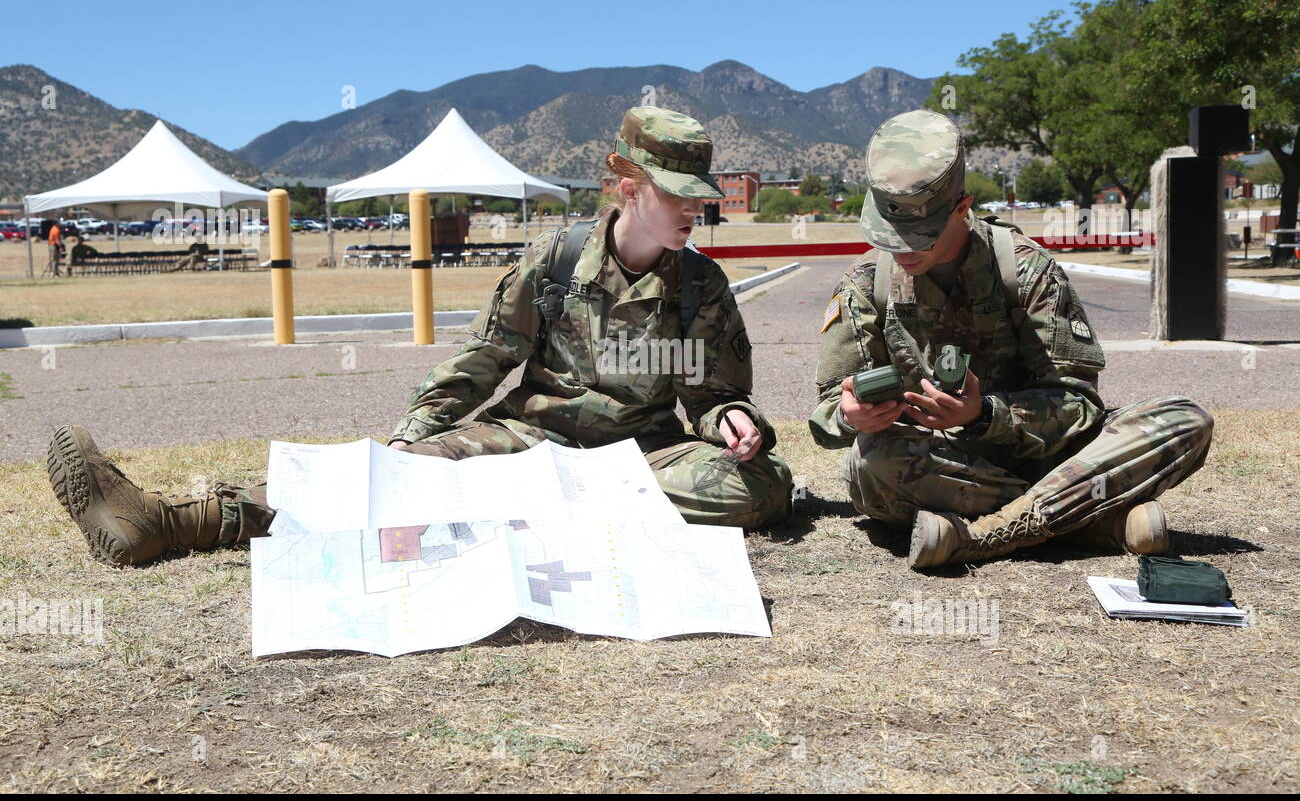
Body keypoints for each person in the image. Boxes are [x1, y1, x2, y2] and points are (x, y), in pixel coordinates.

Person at [48, 106, 794, 568]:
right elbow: (485, 360)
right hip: (536, 441)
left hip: (641, 458)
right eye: (680, 196)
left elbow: (713, 392)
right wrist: (413, 437)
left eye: (702, 196)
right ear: (631, 189)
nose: (698, 211)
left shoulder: (702, 285)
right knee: (400, 476)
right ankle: (175, 523)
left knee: (763, 486)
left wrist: (732, 419)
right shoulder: (557, 259)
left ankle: (524, 505)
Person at [809, 109, 1213, 571]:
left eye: (918, 236)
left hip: (1044, 457)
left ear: (962, 208)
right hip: (946, 466)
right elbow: (826, 413)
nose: (901, 249)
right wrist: (851, 414)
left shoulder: (1025, 270)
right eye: (889, 233)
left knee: (1185, 419)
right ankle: (1088, 519)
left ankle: (985, 534)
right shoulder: (866, 282)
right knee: (871, 460)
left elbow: (1079, 406)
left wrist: (985, 414)